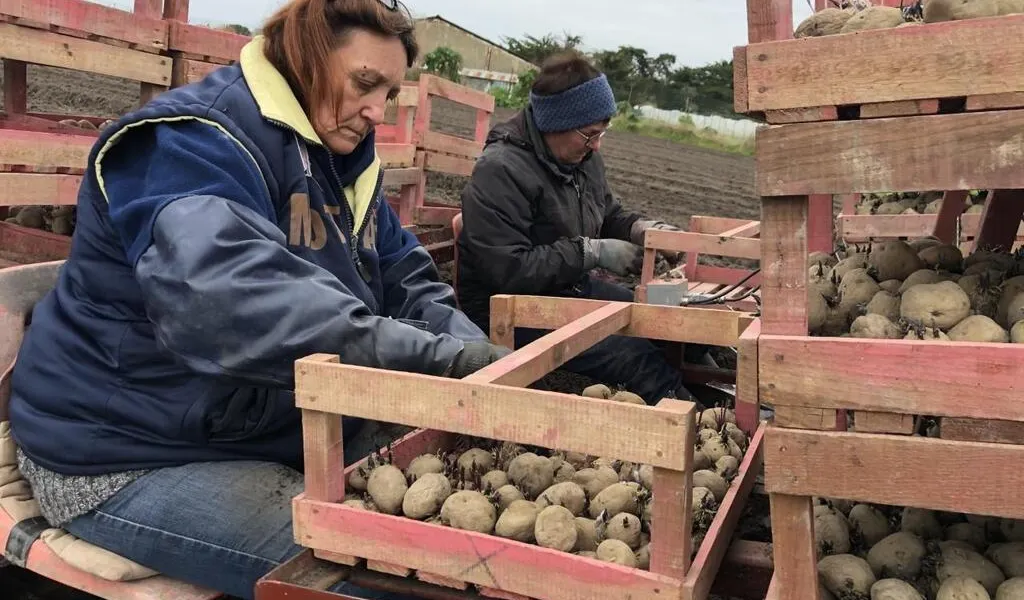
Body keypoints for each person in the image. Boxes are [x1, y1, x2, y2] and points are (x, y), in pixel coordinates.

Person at [7, 1, 510, 598]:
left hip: (258, 423)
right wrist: (437, 360)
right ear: (305, 56)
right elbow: (227, 301)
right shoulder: (189, 143)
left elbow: (406, 278)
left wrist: (477, 354)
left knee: (472, 533)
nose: (378, 111)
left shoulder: (340, 162)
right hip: (129, 450)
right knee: (387, 572)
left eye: (391, 93)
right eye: (365, 84)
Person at [456, 50, 703, 406]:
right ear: (554, 124)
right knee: (630, 354)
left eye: (602, 133)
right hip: (512, 306)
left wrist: (643, 230)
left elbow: (607, 212)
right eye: (589, 135)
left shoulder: (582, 158)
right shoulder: (501, 171)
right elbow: (507, 271)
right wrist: (591, 252)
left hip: (568, 288)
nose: (596, 145)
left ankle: (715, 388)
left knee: (661, 315)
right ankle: (696, 424)